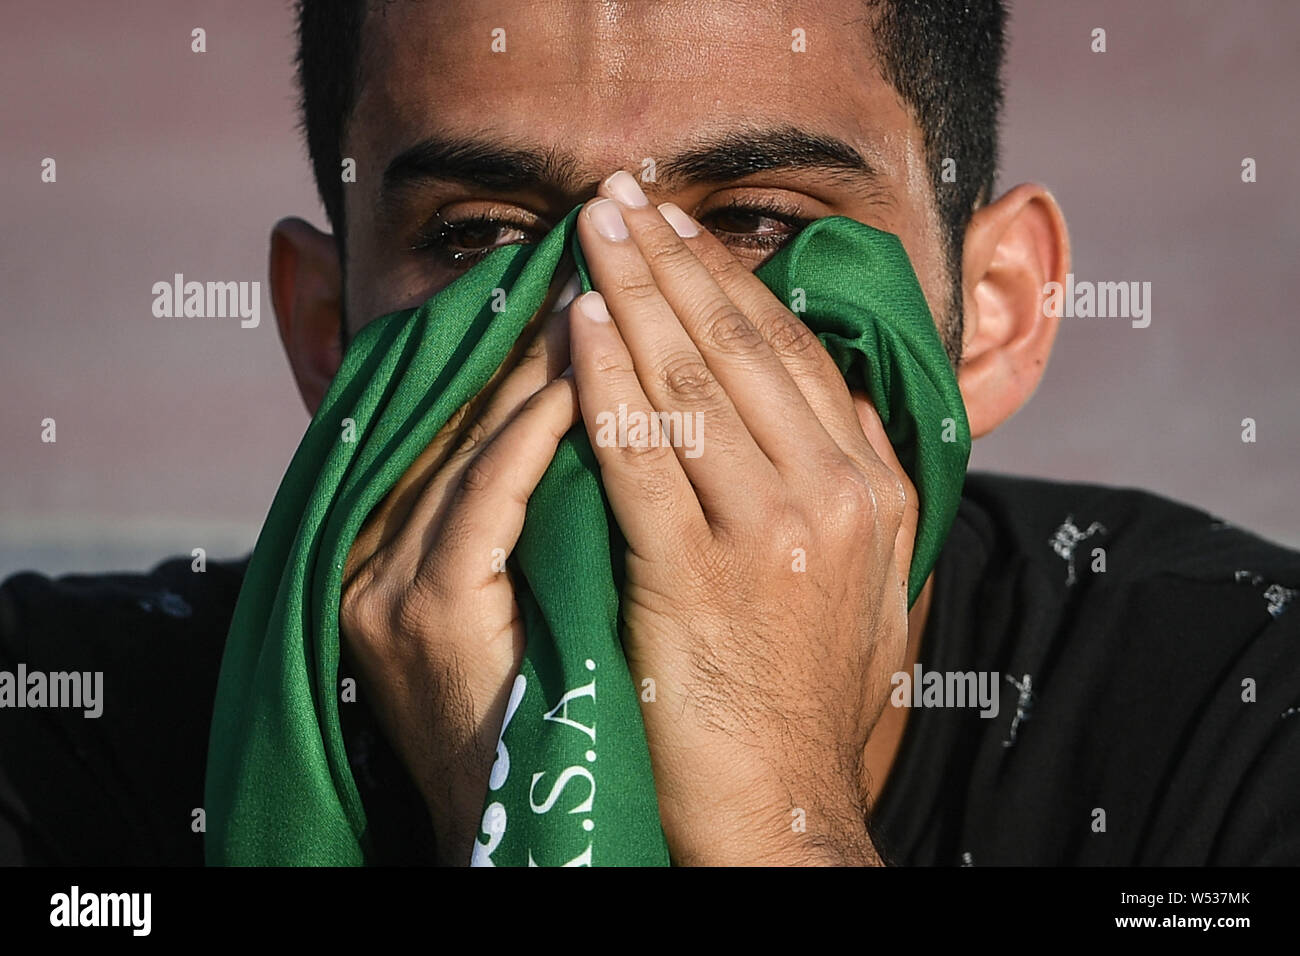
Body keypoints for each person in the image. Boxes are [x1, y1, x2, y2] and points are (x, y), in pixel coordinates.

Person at [2, 0, 1297, 866]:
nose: (605, 331)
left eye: (754, 224)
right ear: (329, 334)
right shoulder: (55, 740)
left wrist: (775, 818)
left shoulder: (1239, 726)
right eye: (483, 240)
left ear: (991, 317)